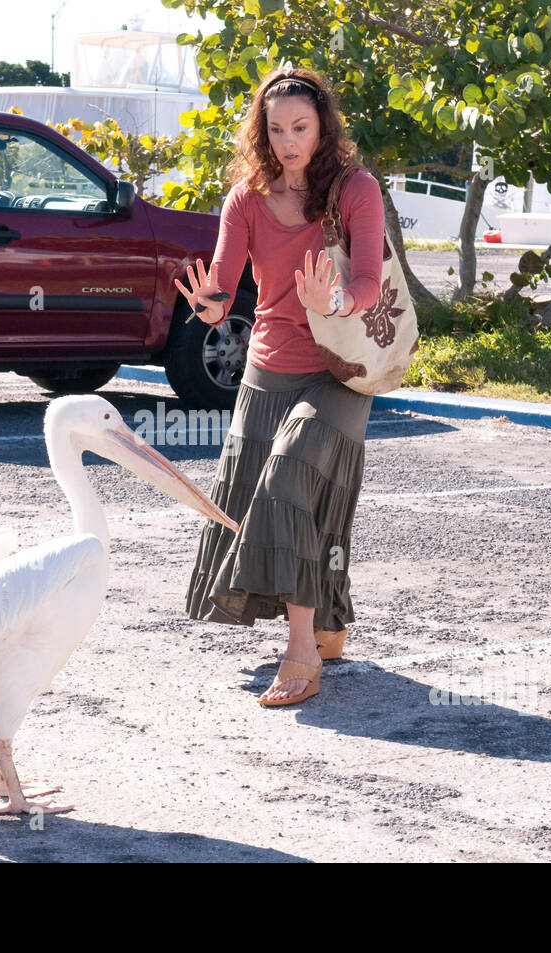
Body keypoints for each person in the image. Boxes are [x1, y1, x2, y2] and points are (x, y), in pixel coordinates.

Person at [177, 67, 386, 706]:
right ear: (261, 133)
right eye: (276, 129)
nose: (289, 140)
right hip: (268, 369)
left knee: (289, 481)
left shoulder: (356, 190)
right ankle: (328, 623)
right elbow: (224, 280)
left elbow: (371, 282)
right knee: (271, 500)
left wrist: (337, 299)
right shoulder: (246, 198)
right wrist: (210, 309)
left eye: (300, 127)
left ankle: (300, 653)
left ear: (323, 126)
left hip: (338, 372)